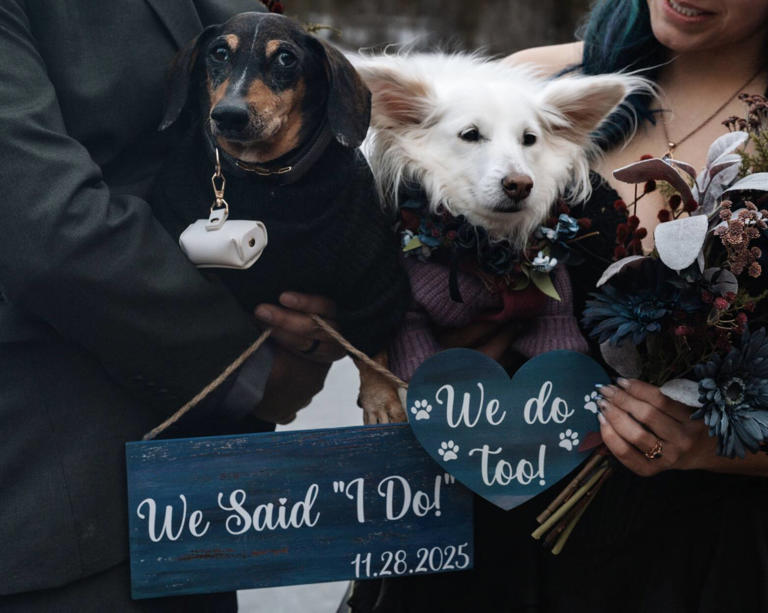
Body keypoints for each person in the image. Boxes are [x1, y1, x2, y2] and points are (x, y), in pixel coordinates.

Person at [347, 1, 768, 611]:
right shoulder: (525, 83)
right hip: (474, 517)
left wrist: (715, 447)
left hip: (682, 553)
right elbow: (389, 271)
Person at [0, 1, 346, 611]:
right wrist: (251, 369)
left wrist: (346, 291)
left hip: (209, 495)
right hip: (68, 494)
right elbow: (45, 225)